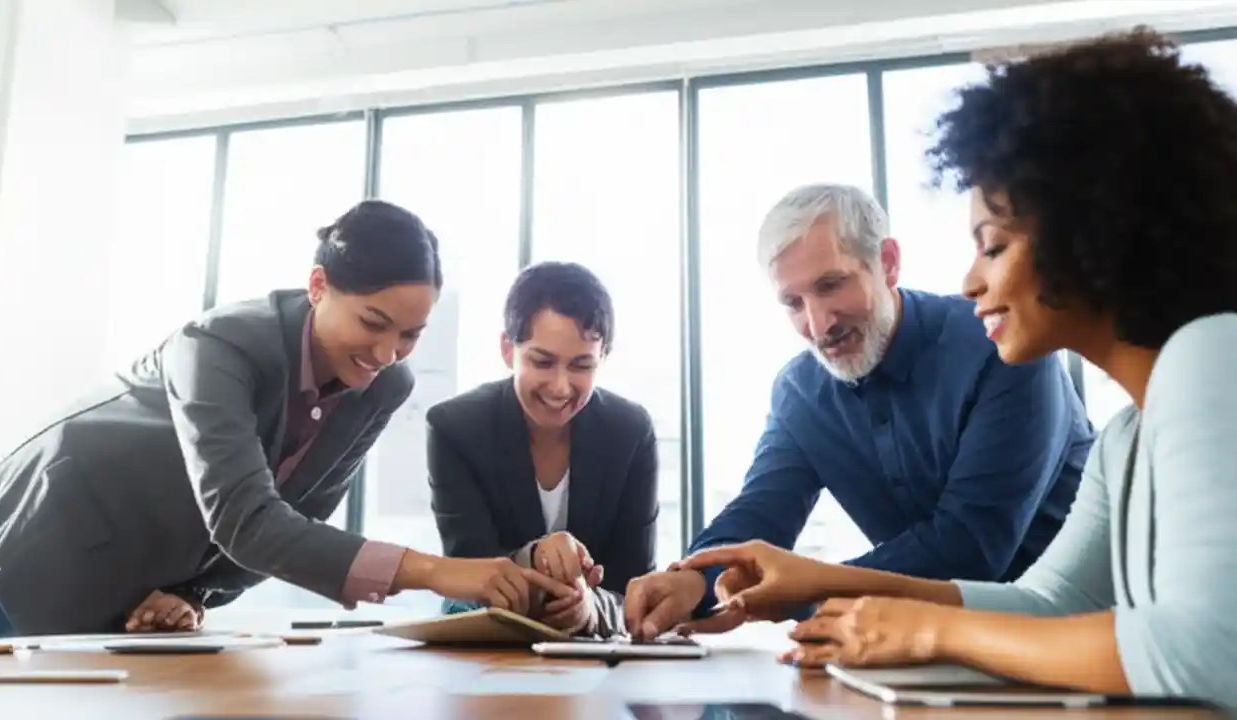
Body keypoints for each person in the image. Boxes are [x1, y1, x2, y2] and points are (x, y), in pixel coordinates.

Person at [670, 29, 1237, 711]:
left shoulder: (1211, 354)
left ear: (1096, 233)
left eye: (992, 247)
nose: (970, 282)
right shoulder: (1125, 439)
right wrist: (822, 589)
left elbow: (1207, 652)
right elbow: (1051, 602)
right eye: (793, 302)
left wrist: (924, 627)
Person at [0, 200, 573, 638]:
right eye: (373, 322)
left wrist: (194, 593)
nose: (387, 352)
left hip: (162, 571)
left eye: (410, 334)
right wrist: (437, 573)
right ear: (318, 286)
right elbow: (245, 516)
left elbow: (301, 514)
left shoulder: (385, 386)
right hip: (56, 529)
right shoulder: (216, 345)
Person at [624, 182, 1095, 638]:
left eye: (831, 286)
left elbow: (970, 548)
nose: (817, 325)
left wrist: (803, 590)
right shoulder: (800, 391)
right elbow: (763, 509)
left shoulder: (1002, 348)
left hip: (1074, 639)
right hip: (924, 646)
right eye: (793, 303)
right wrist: (694, 579)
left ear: (887, 263)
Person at [428, 262, 658, 637]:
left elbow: (637, 587)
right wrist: (533, 558)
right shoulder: (456, 428)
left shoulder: (630, 432)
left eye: (581, 365)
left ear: (602, 358)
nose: (560, 387)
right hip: (484, 647)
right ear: (508, 350)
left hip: (593, 655)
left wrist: (591, 609)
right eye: (543, 362)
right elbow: (465, 576)